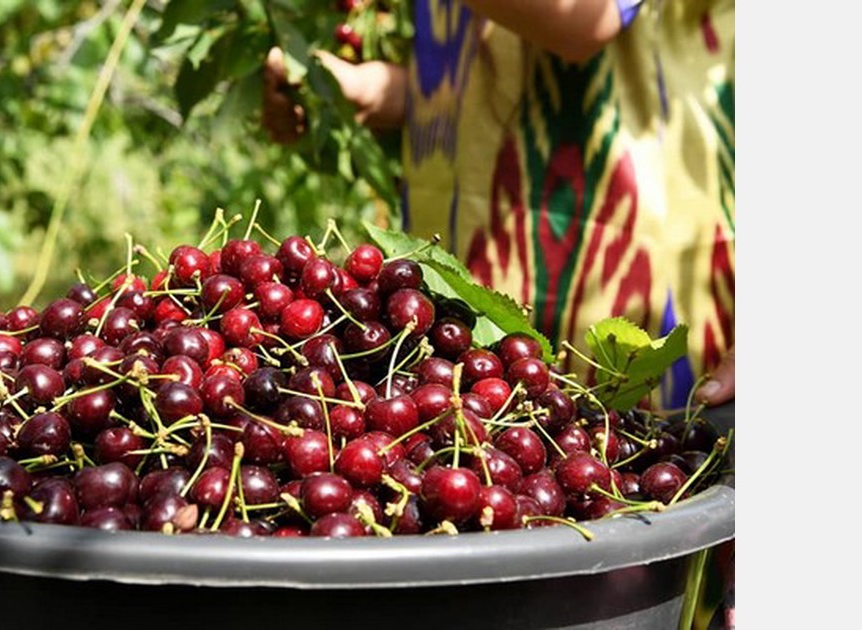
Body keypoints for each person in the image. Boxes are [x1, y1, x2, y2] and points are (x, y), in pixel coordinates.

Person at [262, 0, 735, 412]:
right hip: (460, 300)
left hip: (630, 287)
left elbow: (584, 18)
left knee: (636, 471)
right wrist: (374, 90)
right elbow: (494, 74)